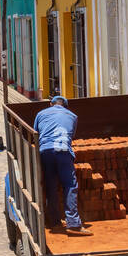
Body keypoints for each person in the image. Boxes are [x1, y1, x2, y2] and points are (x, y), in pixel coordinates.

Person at [33, 94, 91, 236]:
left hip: (45, 151)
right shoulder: (73, 116)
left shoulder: (40, 114)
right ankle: (74, 224)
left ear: (51, 104)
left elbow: (35, 133)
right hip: (63, 151)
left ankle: (55, 223)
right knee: (70, 185)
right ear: (65, 107)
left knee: (51, 186)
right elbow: (71, 136)